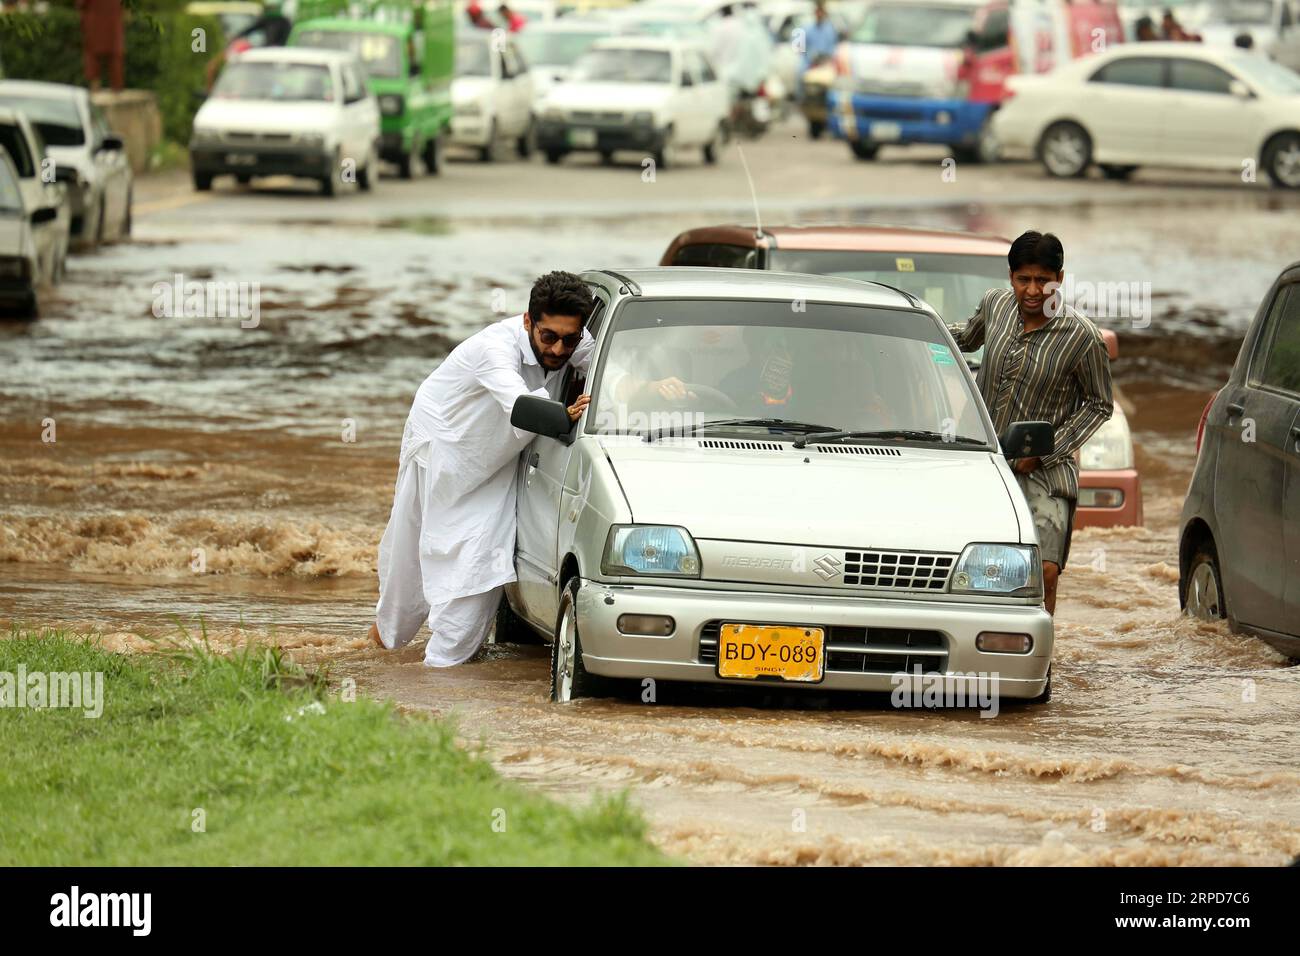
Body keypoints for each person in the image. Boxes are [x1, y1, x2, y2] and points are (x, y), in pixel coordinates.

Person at [369, 272, 595, 665]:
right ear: (528, 321)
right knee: (407, 570)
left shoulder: (575, 342)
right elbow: (523, 406)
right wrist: (564, 415)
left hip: (497, 461)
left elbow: (616, 365)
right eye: (549, 337)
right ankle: (379, 653)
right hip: (441, 449)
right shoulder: (495, 348)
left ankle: (439, 675)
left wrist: (659, 382)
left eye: (569, 340)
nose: (559, 349)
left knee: (477, 570)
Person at [948, 232, 1113, 616]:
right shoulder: (995, 307)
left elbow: (1100, 405)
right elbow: (962, 339)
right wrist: (915, 332)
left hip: (1046, 473)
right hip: (983, 462)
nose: (1034, 290)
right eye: (1024, 279)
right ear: (1010, 277)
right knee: (969, 568)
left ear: (1060, 278)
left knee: (1042, 572)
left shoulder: (1083, 338)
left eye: (1043, 280)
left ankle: (1039, 669)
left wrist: (1044, 453)